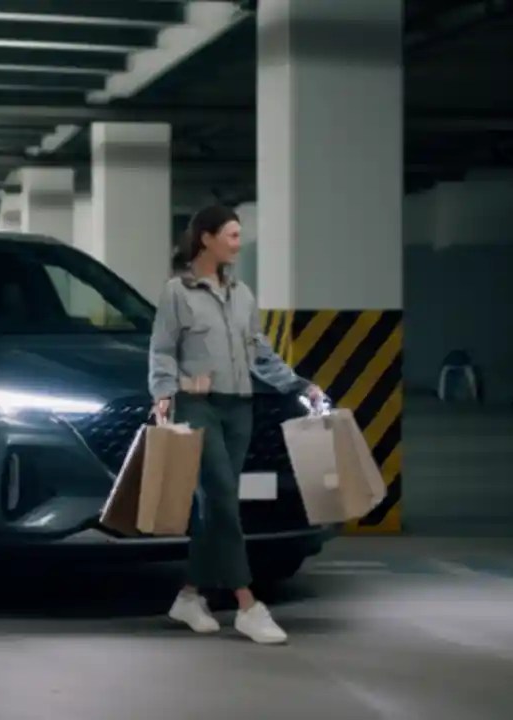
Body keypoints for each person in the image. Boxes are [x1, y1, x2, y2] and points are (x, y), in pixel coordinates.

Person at [149, 204, 324, 645]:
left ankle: (190, 595)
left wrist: (300, 384)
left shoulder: (243, 295)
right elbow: (162, 351)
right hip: (198, 406)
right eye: (231, 235)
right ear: (205, 239)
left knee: (215, 506)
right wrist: (167, 395)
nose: (238, 242)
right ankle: (248, 605)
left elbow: (260, 353)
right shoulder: (177, 292)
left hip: (239, 407)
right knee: (224, 498)